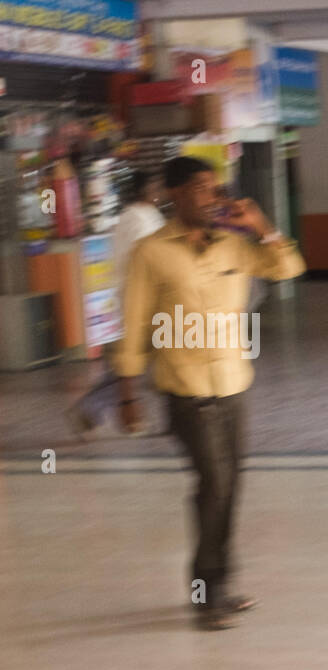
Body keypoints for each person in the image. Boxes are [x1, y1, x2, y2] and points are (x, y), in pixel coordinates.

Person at [114, 156, 305, 630]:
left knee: (227, 486)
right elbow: (136, 323)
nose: (212, 196)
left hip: (234, 387)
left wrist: (260, 224)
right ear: (175, 194)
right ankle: (207, 591)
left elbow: (288, 267)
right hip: (185, 390)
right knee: (215, 485)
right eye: (201, 188)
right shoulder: (150, 252)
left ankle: (218, 582)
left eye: (215, 188)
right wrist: (127, 393)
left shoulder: (233, 246)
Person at [67, 170, 166, 437]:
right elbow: (148, 260)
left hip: (138, 298)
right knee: (134, 363)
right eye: (155, 185)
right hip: (141, 300)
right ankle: (90, 409)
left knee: (137, 362)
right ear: (145, 189)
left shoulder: (134, 216)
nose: (159, 190)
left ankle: (91, 410)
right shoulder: (138, 219)